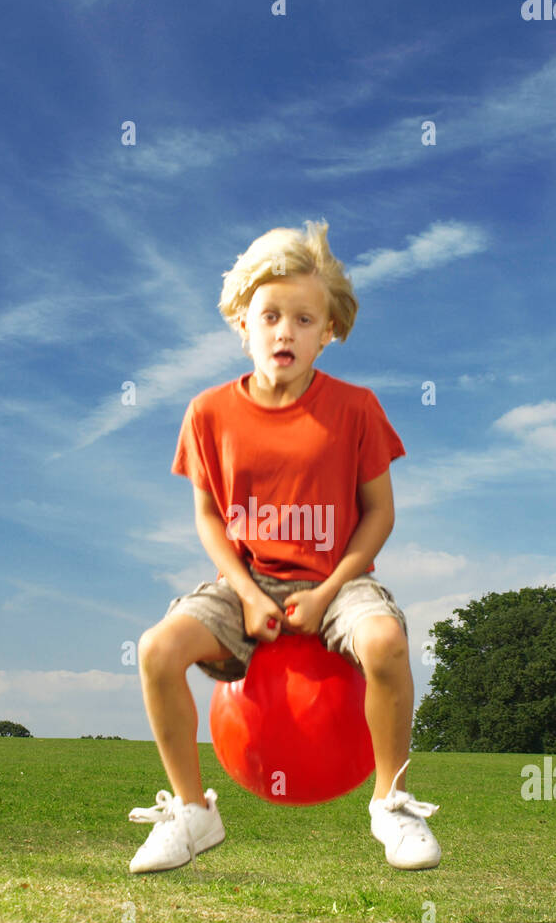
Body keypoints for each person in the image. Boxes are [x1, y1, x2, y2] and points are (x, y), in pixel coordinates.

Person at [128, 220, 441, 874]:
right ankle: (192, 812)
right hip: (247, 579)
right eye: (270, 316)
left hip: (337, 582)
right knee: (157, 650)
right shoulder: (208, 412)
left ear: (328, 332)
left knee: (385, 641)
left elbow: (379, 516)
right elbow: (210, 518)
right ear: (242, 321)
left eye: (304, 319)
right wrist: (243, 593)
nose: (285, 332)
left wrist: (327, 592)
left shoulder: (356, 409)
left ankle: (392, 802)